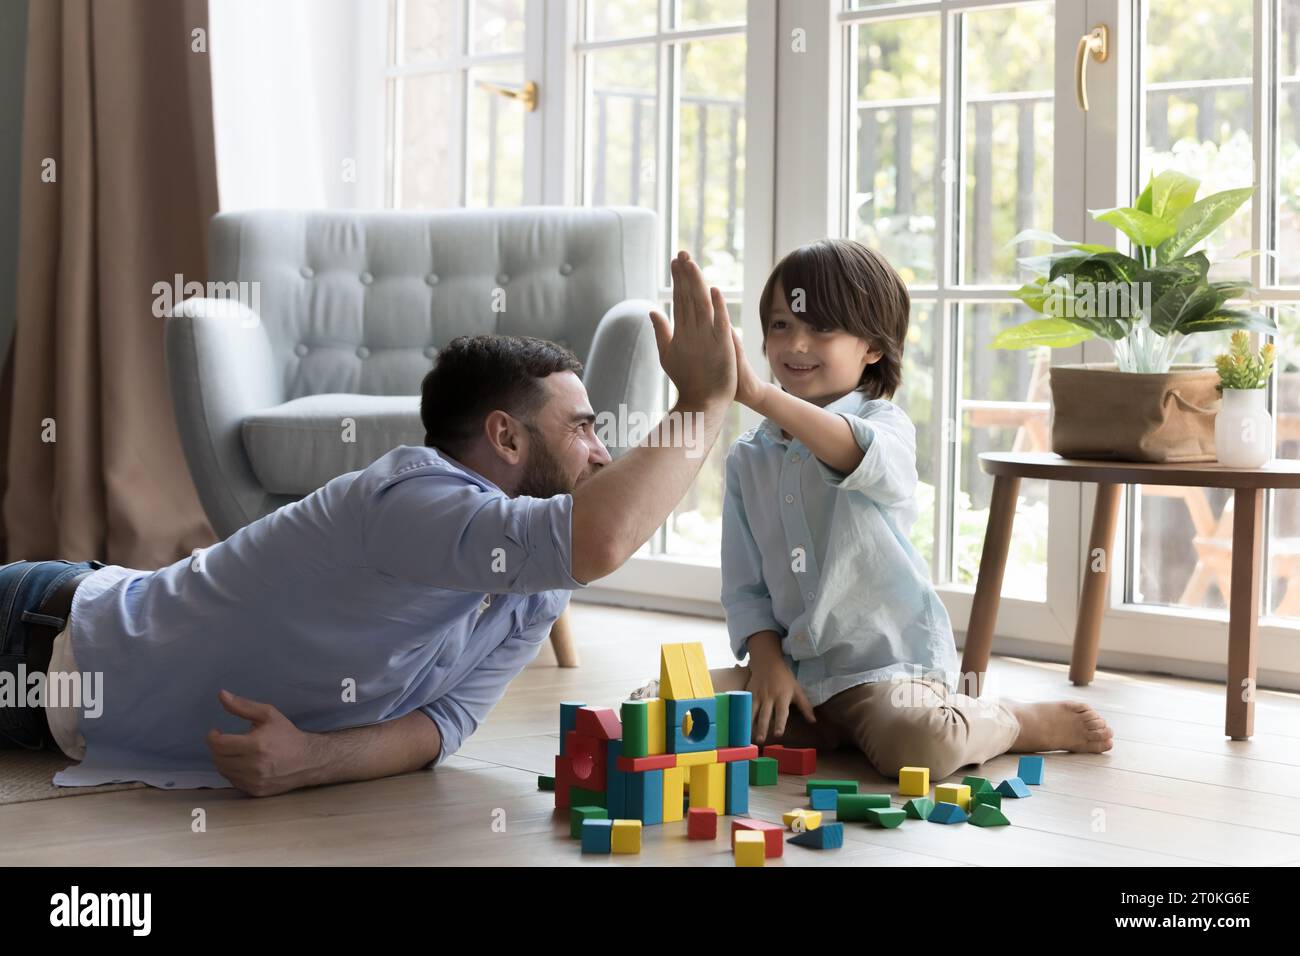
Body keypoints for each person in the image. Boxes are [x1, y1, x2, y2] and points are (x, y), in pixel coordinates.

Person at [0, 252, 737, 796]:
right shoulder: (412, 499)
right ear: (506, 438)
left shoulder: (534, 589)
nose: (603, 453)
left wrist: (305, 762)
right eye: (581, 428)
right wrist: (702, 402)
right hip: (35, 639)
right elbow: (599, 540)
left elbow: (442, 725)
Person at [631, 239, 1113, 779]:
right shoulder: (750, 458)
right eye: (780, 325)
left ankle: (1013, 721)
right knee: (653, 705)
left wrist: (757, 393)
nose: (797, 343)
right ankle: (827, 730)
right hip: (793, 677)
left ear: (873, 348)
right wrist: (766, 663)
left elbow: (850, 450)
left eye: (822, 329)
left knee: (922, 744)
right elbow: (745, 589)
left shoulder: (886, 427)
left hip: (885, 675)